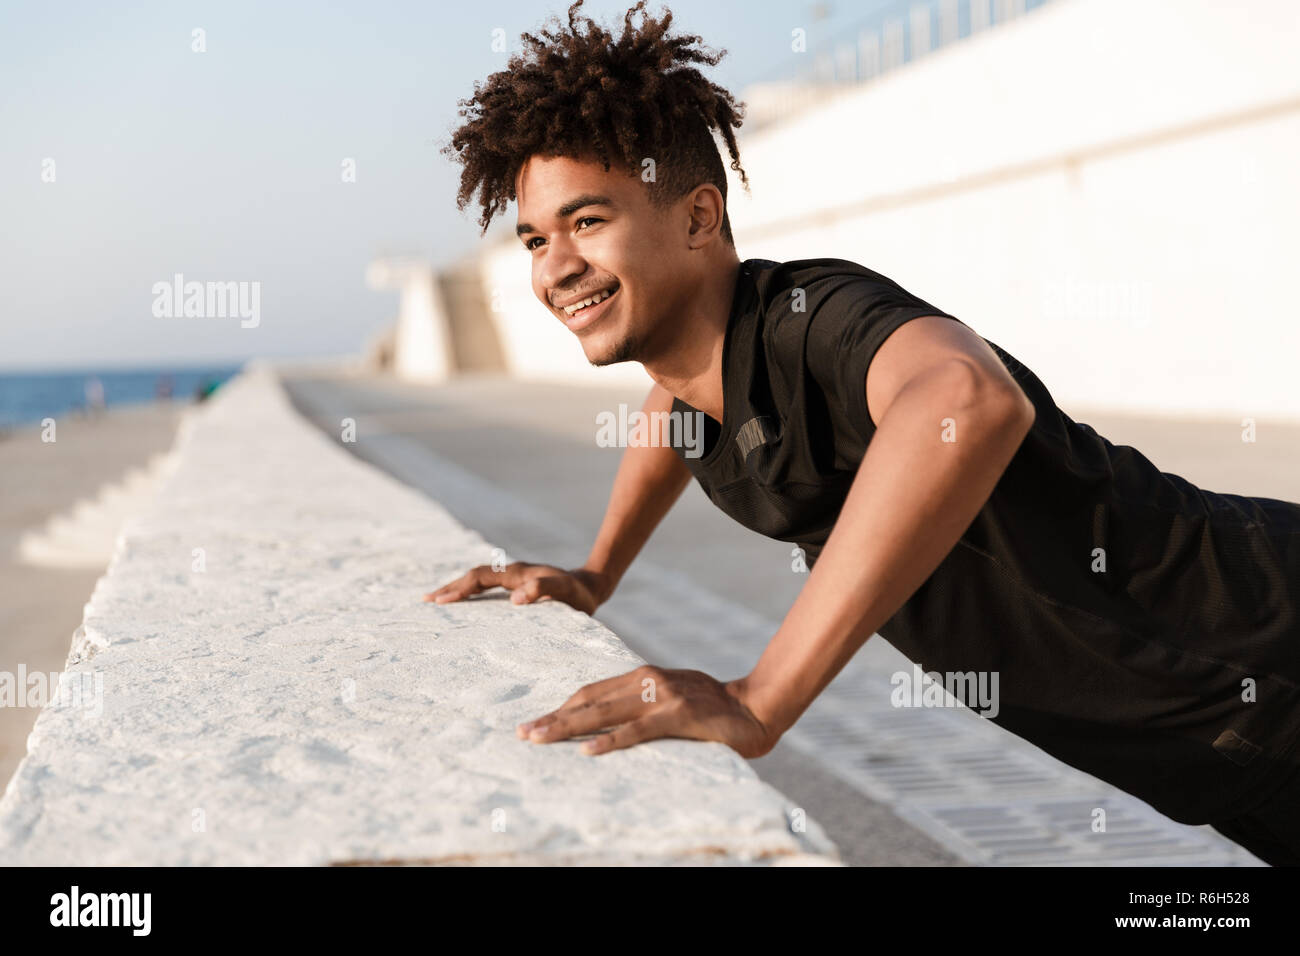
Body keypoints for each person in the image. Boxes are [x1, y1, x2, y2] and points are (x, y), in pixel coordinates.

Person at [428, 1, 1300, 864]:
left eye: (587, 222)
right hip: (1219, 768)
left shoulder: (817, 315)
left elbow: (967, 398)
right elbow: (674, 415)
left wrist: (761, 696)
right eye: (536, 238)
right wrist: (597, 572)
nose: (555, 268)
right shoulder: (697, 383)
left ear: (697, 218)